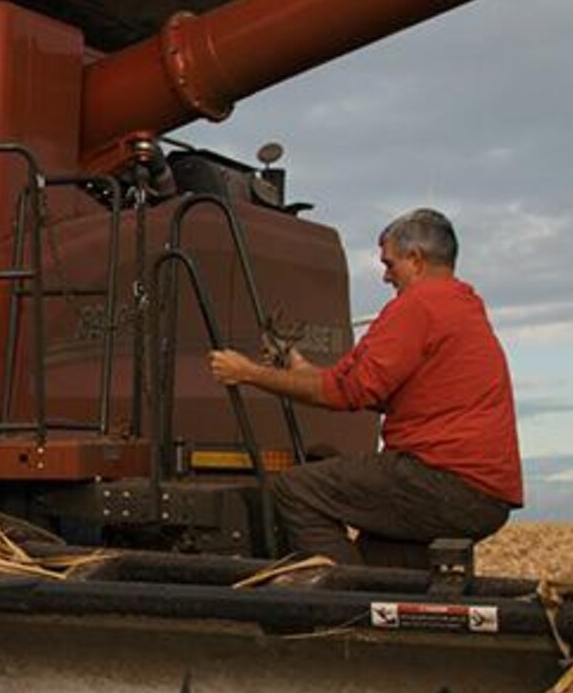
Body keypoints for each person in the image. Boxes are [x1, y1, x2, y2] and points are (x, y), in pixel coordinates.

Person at [207, 207, 520, 566]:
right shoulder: (461, 305)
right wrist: (298, 365)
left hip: (442, 479)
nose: (386, 277)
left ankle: (346, 599)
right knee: (383, 561)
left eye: (390, 264)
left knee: (296, 489)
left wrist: (247, 373)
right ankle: (380, 606)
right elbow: (364, 385)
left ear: (415, 260)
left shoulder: (417, 306)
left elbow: (343, 392)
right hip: (482, 492)